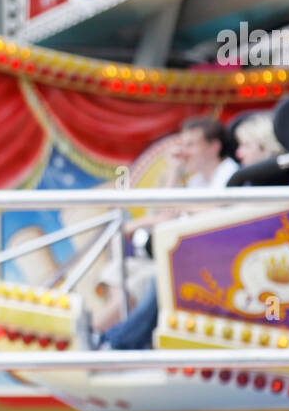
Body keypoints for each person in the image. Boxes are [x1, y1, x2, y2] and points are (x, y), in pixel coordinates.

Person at [99, 117, 240, 350]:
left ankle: (114, 342)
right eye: (182, 145)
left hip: (215, 259)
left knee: (160, 276)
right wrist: (174, 170)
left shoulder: (230, 175)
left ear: (214, 146)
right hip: (184, 254)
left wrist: (183, 207)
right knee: (123, 270)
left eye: (191, 145)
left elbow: (225, 215)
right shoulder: (195, 181)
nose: (184, 152)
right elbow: (167, 211)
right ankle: (99, 335)